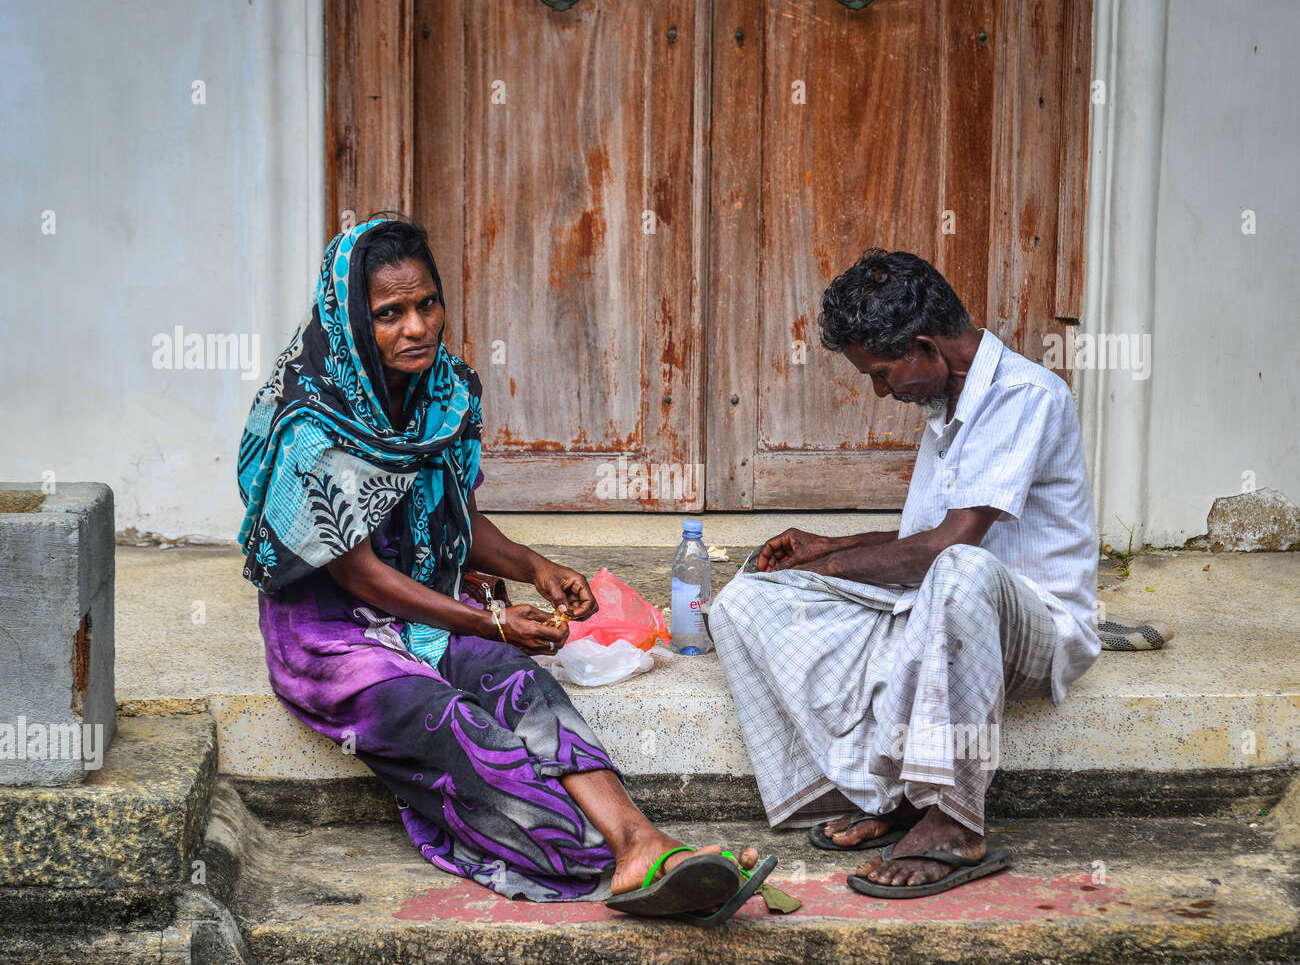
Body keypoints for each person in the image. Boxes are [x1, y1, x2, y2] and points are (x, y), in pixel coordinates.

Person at [236, 215, 767, 914]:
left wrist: (536, 565)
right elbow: (358, 575)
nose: (417, 327)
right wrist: (490, 620)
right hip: (335, 639)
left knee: (521, 684)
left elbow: (454, 511)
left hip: (423, 611)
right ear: (354, 324)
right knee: (456, 725)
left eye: (427, 303)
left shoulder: (443, 393)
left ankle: (641, 840)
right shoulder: (312, 420)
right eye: (389, 314)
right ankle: (615, 865)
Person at [708, 249, 1101, 898]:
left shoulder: (1024, 396)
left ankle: (953, 819)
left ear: (926, 346)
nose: (881, 391)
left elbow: (948, 551)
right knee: (747, 601)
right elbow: (926, 544)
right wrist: (826, 547)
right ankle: (887, 792)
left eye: (884, 374)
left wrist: (833, 561)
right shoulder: (947, 403)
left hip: (1033, 628)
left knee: (960, 572)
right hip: (940, 604)